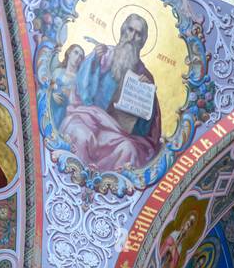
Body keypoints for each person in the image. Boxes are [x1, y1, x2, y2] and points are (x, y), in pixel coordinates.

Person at [59, 12, 163, 172]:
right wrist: (93, 62)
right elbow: (82, 92)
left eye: (138, 34)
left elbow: (145, 128)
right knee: (79, 133)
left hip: (119, 135)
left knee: (130, 150)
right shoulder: (103, 55)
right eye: (130, 30)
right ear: (122, 31)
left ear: (142, 41)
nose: (132, 37)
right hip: (89, 120)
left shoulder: (145, 75)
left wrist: (149, 94)